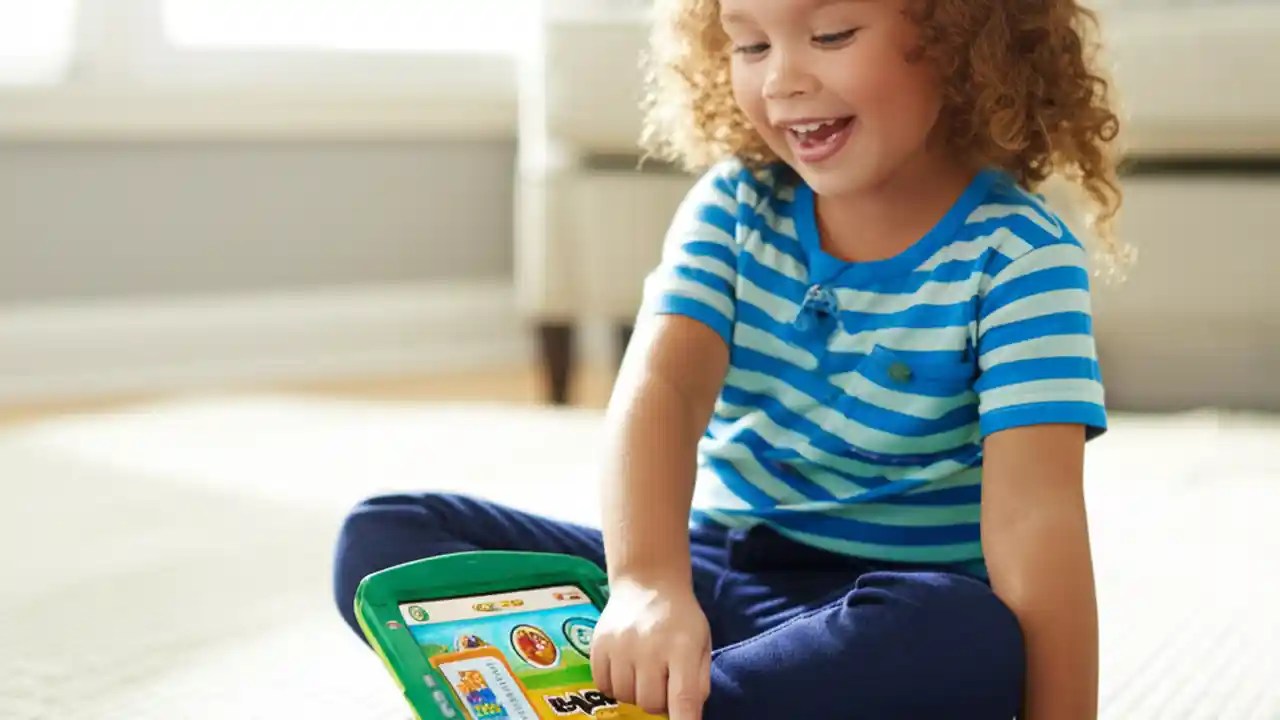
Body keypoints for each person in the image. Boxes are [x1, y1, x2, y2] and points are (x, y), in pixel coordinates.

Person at [333, 0, 1131, 717]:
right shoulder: (734, 206)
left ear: (964, 34)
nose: (782, 79)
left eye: (830, 34)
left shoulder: (1022, 258)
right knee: (386, 536)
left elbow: (1037, 519)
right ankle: (681, 690)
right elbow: (664, 386)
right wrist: (649, 584)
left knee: (968, 634)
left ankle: (645, 700)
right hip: (709, 580)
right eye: (749, 45)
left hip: (874, 612)